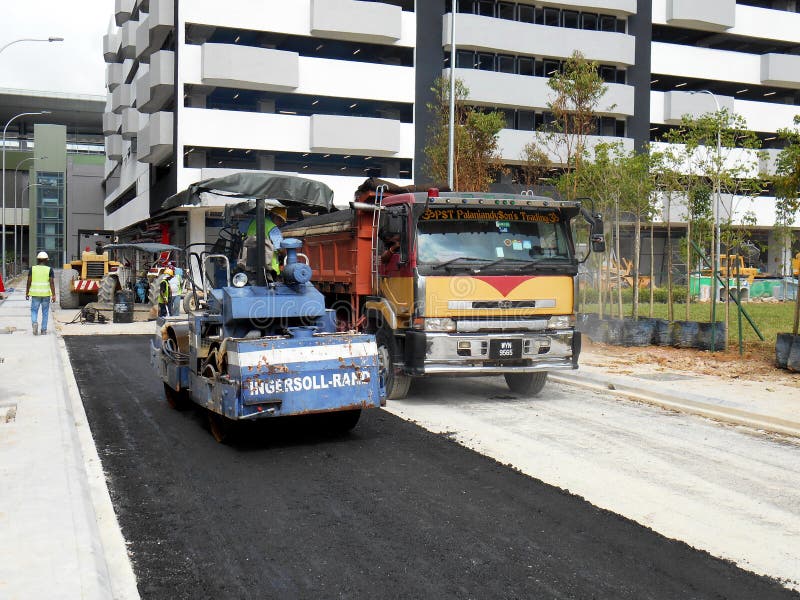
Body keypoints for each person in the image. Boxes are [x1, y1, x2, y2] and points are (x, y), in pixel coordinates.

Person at [244, 206, 287, 276]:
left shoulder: (254, 222)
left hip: (249, 265)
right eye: (281, 221)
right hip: (269, 269)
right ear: (275, 217)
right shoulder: (273, 228)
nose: (281, 224)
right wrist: (286, 257)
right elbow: (281, 249)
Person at [25, 251, 56, 336]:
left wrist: (27, 293)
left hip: (35, 294)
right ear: (46, 260)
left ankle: (34, 323)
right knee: (45, 312)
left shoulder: (32, 269)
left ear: (38, 260)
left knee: (34, 310)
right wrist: (54, 295)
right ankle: (43, 330)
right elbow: (52, 283)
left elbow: (29, 281)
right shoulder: (49, 269)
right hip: (46, 294)